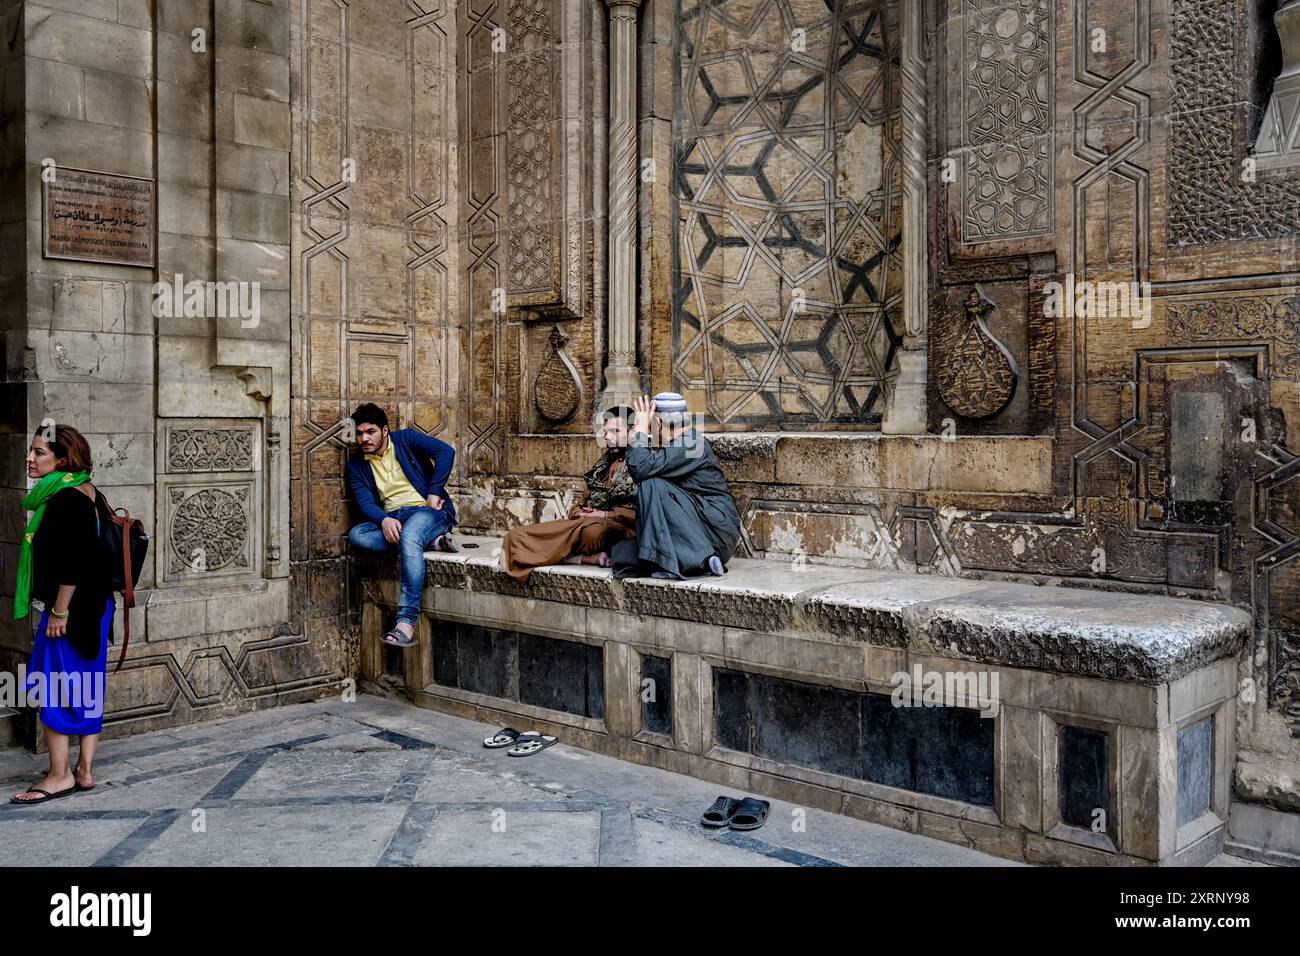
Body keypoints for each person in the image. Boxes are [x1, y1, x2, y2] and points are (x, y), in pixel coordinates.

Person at [11, 425, 115, 805]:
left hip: (71, 611)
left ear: (63, 458)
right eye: (31, 451)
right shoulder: (89, 490)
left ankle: (59, 775)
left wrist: (58, 611)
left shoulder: (64, 499)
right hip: (96, 608)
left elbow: (74, 562)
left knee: (52, 686)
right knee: (87, 683)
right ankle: (84, 770)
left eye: (39, 452)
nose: (30, 459)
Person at [345, 403, 457, 648]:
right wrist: (384, 519)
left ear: (385, 430)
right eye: (360, 433)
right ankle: (434, 543)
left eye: (371, 432)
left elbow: (446, 452)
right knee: (357, 534)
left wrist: (435, 492)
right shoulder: (356, 465)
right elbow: (364, 502)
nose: (364, 438)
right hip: (395, 518)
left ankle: (406, 621)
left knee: (410, 534)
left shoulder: (405, 439)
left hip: (428, 512)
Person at [612, 392, 742, 579]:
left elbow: (642, 469)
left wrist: (639, 433)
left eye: (650, 425)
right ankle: (698, 560)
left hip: (715, 532)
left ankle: (700, 561)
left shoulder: (692, 443)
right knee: (623, 553)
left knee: (651, 484)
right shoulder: (679, 444)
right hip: (697, 528)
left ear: (658, 424)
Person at [500, 407, 637, 582]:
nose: (608, 437)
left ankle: (541, 554)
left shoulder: (642, 464)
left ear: (632, 431)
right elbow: (579, 503)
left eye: (615, 431)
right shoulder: (602, 466)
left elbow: (643, 515)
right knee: (516, 536)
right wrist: (579, 511)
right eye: (606, 432)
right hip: (583, 525)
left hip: (617, 531)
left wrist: (603, 515)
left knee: (595, 530)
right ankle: (582, 558)